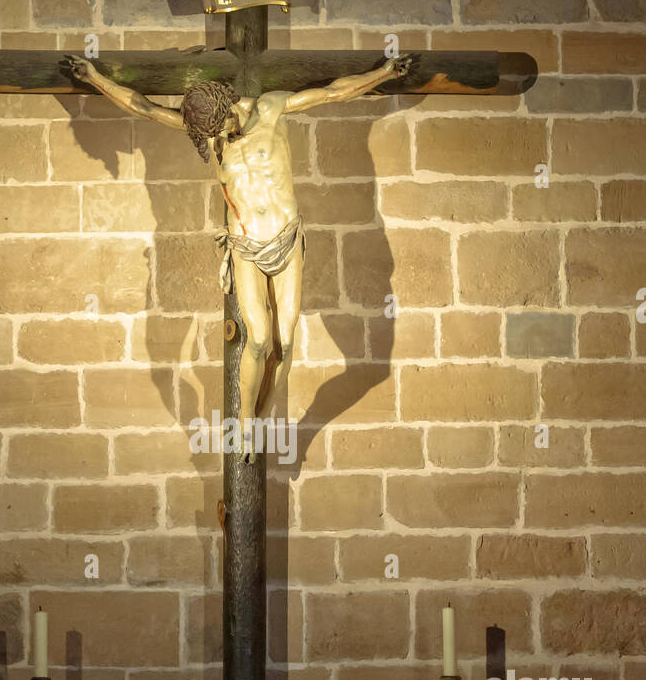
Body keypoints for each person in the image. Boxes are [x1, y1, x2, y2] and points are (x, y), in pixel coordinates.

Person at [62, 51, 419, 459]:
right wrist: (93, 78)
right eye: (212, 136)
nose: (222, 139)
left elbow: (331, 93)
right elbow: (142, 106)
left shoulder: (271, 109)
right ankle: (246, 423)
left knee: (284, 340)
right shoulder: (208, 130)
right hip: (245, 245)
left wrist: (385, 72)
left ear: (230, 105)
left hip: (285, 237)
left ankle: (263, 417)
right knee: (259, 338)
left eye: (224, 128)